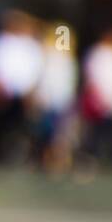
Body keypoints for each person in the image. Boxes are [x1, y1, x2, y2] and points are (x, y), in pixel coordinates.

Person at [0, 10, 44, 162]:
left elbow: (37, 70)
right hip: (2, 93)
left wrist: (31, 91)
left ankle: (20, 156)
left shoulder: (31, 45)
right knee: (0, 128)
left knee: (23, 127)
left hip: (24, 95)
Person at [33, 22, 79, 173]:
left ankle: (58, 161)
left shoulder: (66, 60)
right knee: (48, 133)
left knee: (59, 134)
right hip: (49, 102)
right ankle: (47, 160)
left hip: (61, 102)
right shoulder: (48, 57)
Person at [82, 29, 112, 163]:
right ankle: (91, 156)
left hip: (111, 101)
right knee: (96, 131)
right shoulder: (97, 53)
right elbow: (92, 78)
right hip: (100, 101)